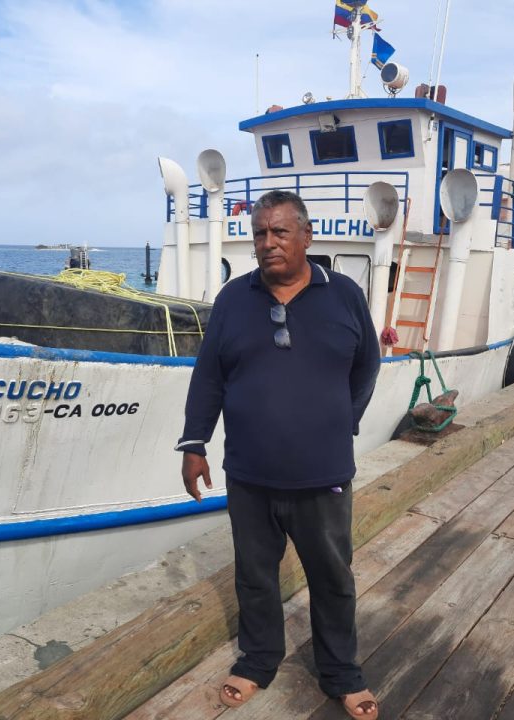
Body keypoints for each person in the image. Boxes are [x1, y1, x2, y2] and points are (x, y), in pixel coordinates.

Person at [176, 190, 381, 718]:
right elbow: (209, 376)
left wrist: (342, 421)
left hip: (323, 475)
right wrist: (194, 442)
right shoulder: (233, 299)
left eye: (280, 232)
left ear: (306, 237)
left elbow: (366, 366)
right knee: (255, 575)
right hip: (249, 474)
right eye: (260, 234)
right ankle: (257, 660)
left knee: (333, 578)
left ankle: (341, 672)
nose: (267, 244)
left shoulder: (344, 296)